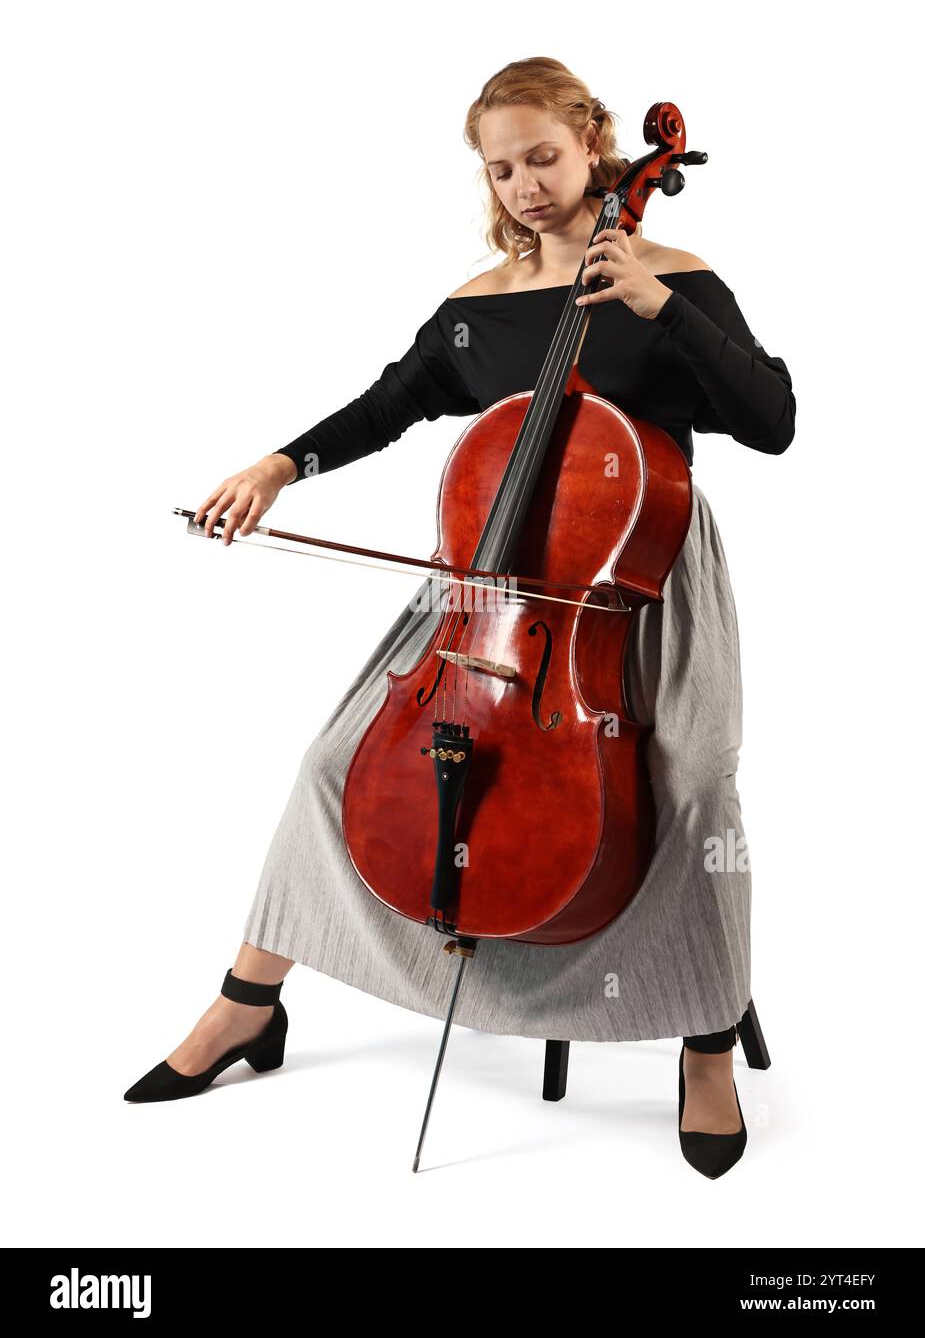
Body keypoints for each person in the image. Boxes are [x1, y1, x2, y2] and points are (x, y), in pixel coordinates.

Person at [124, 57, 796, 1180]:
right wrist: (280, 465)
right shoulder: (479, 307)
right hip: (483, 593)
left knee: (693, 786)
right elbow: (390, 402)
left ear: (593, 143)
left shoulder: (669, 275)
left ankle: (705, 1043)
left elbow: (772, 419)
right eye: (504, 166)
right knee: (335, 765)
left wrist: (656, 306)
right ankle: (248, 1000)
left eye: (544, 155)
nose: (527, 183)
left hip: (639, 581)